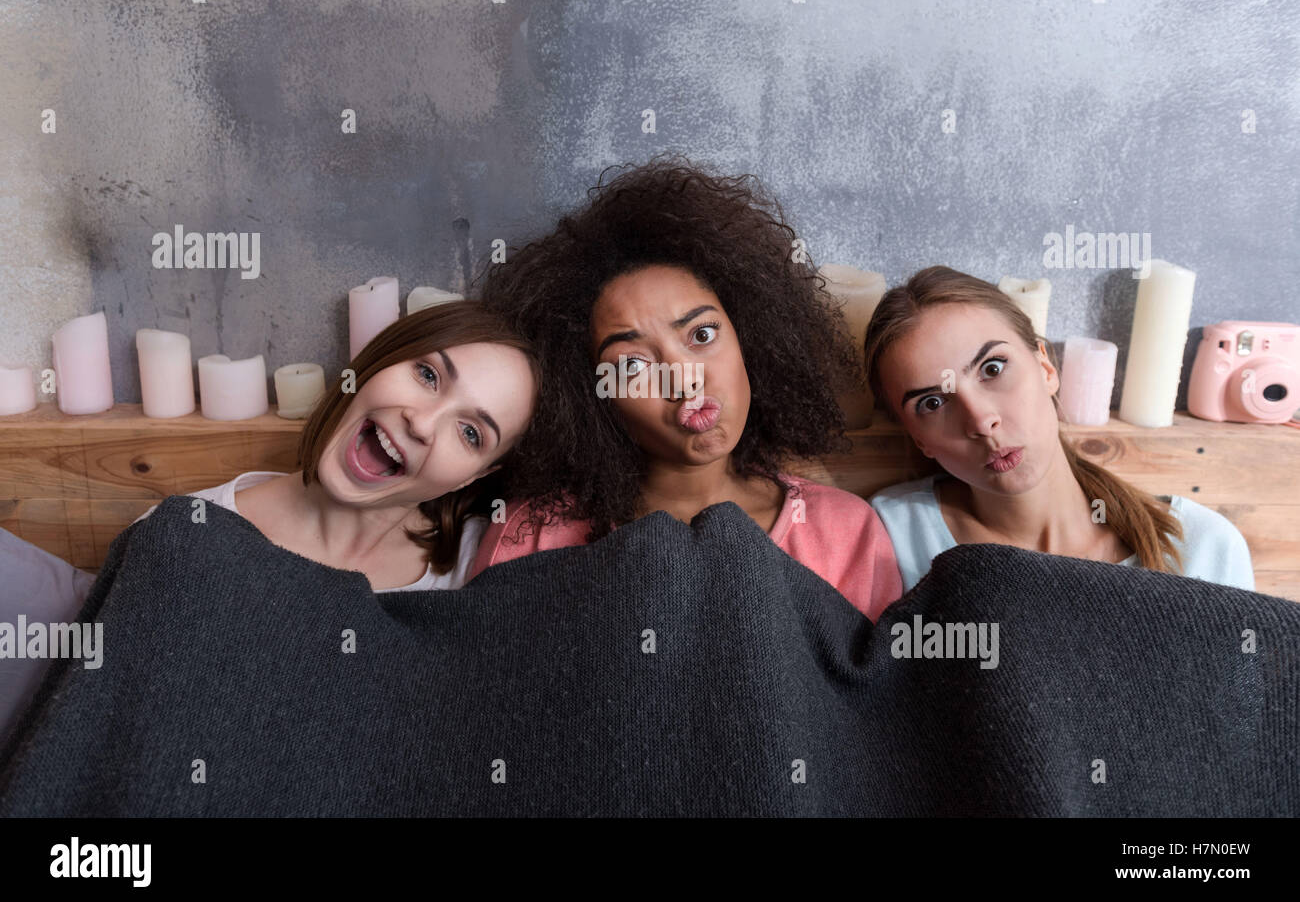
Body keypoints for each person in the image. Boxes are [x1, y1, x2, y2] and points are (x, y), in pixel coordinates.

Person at [467, 156, 903, 621]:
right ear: (589, 395)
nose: (684, 378)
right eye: (633, 364)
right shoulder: (530, 536)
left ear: (751, 340)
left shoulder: (845, 532)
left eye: (702, 335)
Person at [864, 265, 1255, 592]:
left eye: (992, 369)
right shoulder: (891, 537)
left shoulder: (1202, 549)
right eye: (932, 403)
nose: (982, 421)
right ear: (918, 438)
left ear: (1046, 369)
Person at [134, 299, 540, 592]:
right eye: (428, 375)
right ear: (377, 361)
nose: (422, 423)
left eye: (471, 433)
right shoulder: (178, 538)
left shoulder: (483, 573)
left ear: (475, 476)